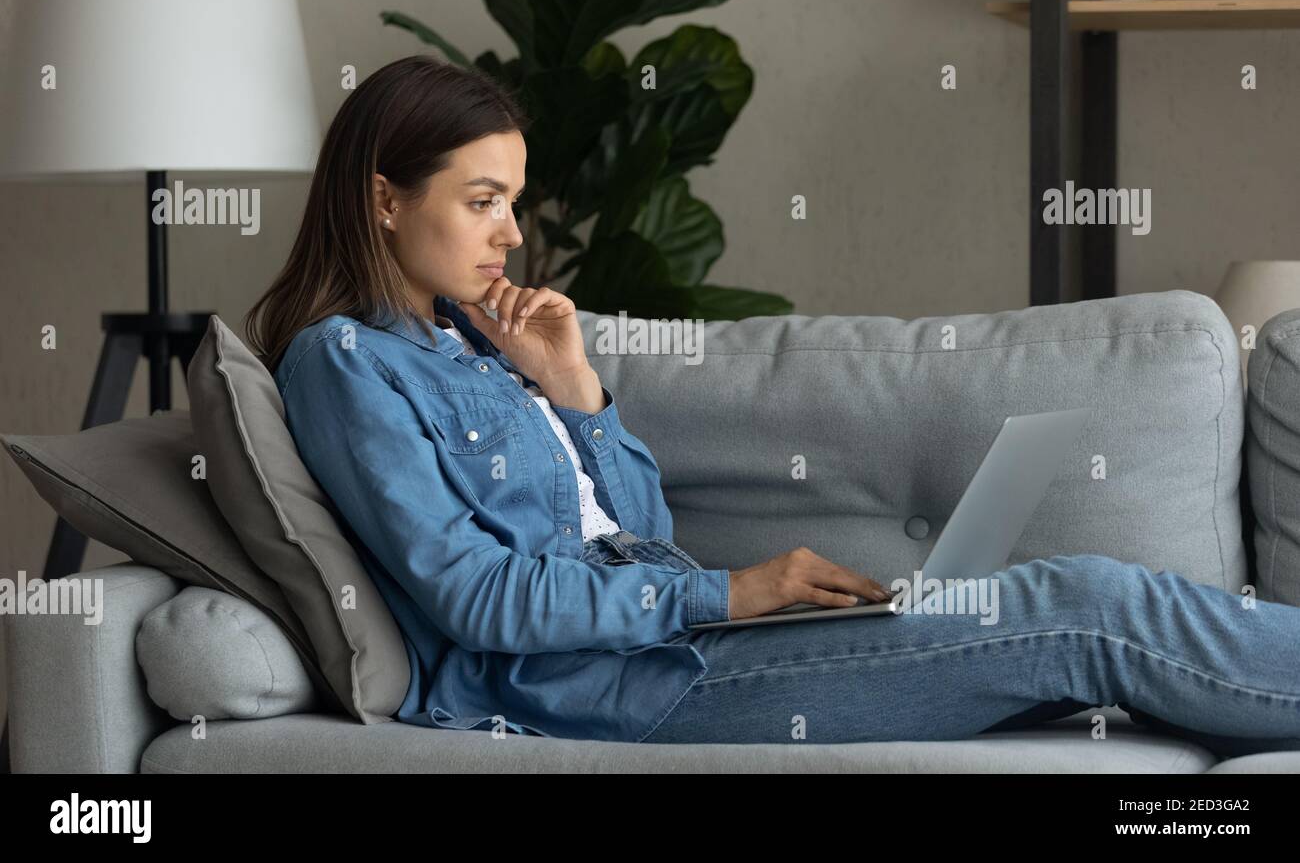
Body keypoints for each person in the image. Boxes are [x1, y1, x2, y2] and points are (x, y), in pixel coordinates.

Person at [246, 54, 1300, 756]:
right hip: (620, 691)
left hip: (679, 650)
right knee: (1089, 606)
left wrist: (575, 391)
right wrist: (730, 595)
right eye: (482, 202)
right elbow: (476, 599)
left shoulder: (475, 343)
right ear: (384, 197)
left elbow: (639, 537)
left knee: (1059, 601)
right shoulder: (340, 364)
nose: (511, 234)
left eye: (511, 202)